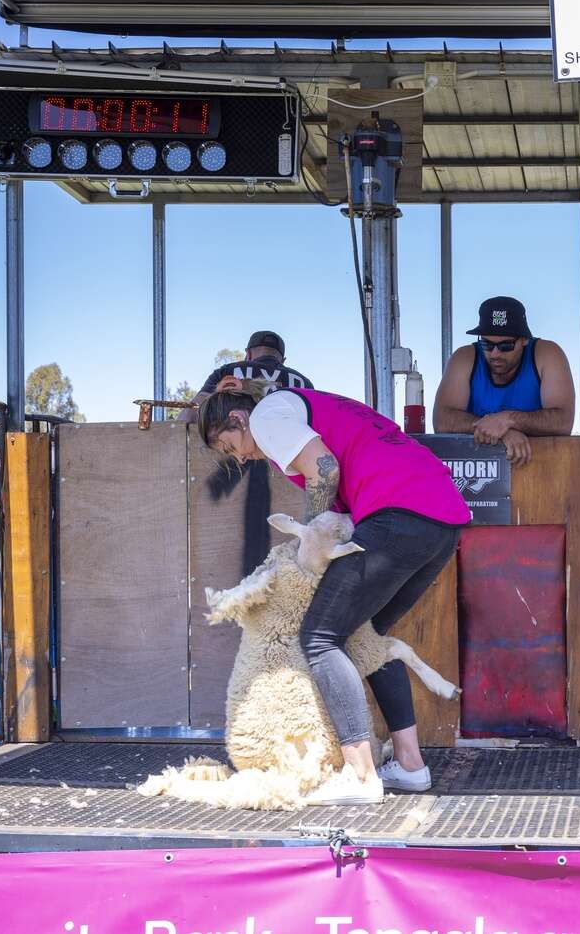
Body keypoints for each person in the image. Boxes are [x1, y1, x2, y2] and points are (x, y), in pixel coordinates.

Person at [199, 381, 472, 805]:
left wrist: (312, 538)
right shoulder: (307, 406)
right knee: (366, 636)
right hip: (439, 517)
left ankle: (360, 775)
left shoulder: (267, 415)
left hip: (397, 513)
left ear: (238, 419)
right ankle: (410, 765)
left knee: (321, 638)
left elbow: (324, 468)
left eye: (230, 445)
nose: (241, 457)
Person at [433, 296, 576, 467]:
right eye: (486, 344)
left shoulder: (547, 354)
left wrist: (507, 420)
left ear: (524, 340)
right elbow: (442, 420)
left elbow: (563, 421)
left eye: (505, 346)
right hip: (479, 469)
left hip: (541, 469)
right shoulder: (464, 358)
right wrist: (500, 431)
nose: (495, 354)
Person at [183, 331, 314, 421]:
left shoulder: (227, 371)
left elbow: (191, 412)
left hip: (233, 455)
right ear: (282, 360)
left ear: (248, 354)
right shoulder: (304, 383)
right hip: (287, 457)